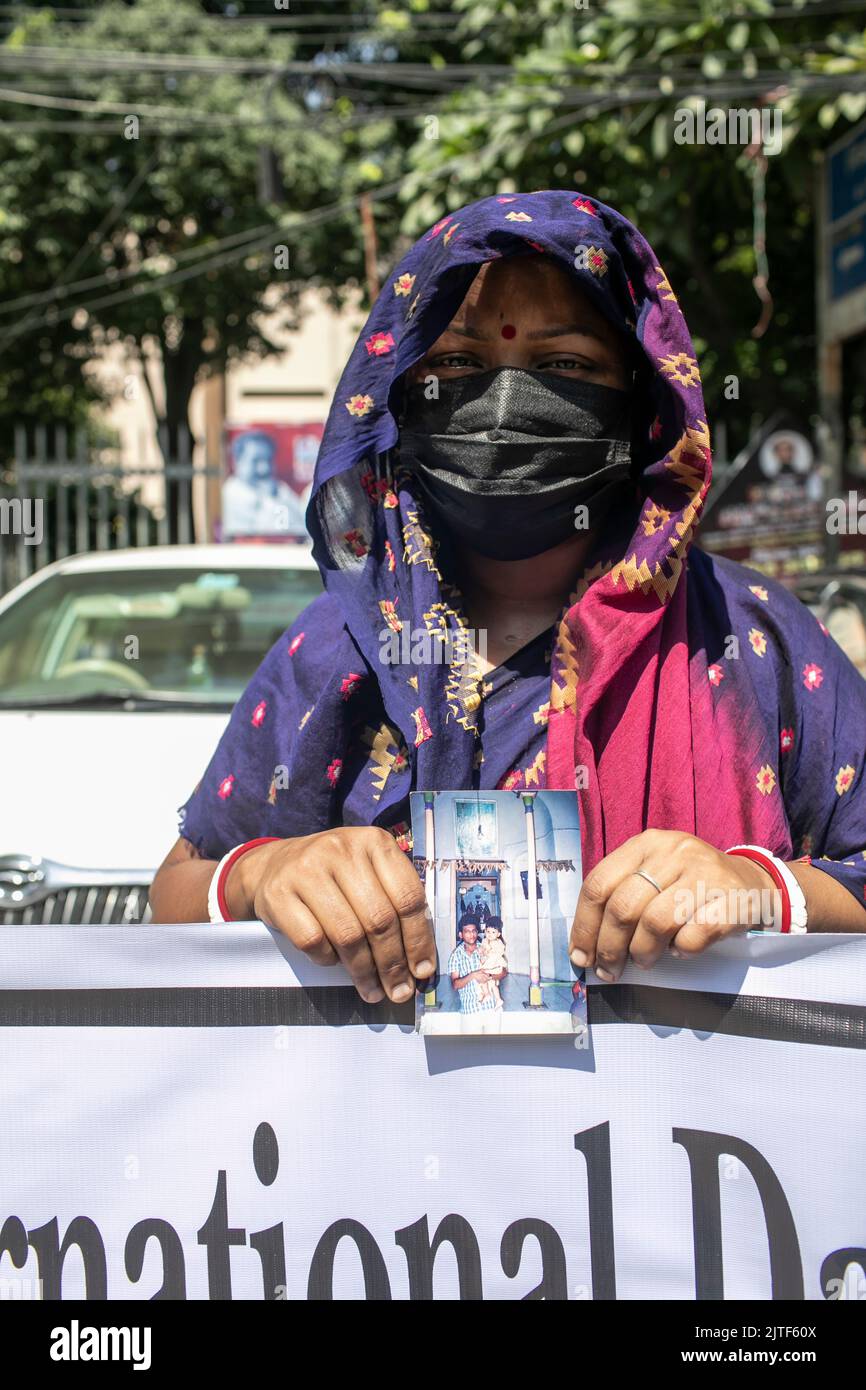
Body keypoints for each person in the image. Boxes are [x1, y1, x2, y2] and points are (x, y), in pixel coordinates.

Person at [150, 189, 866, 1005]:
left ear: (642, 400)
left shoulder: (750, 643)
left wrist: (760, 891)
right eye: (457, 364)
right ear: (397, 394)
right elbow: (174, 893)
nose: (503, 407)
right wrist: (265, 872)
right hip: (386, 1131)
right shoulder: (341, 646)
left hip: (678, 1133)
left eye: (565, 366)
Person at [447, 920, 496, 1016]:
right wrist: (473, 975)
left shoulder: (486, 949)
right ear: (461, 935)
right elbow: (455, 985)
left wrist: (490, 975)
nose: (471, 934)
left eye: (474, 930)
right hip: (470, 1010)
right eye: (467, 931)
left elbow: (503, 972)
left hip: (491, 1007)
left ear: (477, 932)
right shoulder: (456, 956)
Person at [476, 918, 508, 1008]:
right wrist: (481, 952)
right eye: (488, 931)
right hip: (488, 964)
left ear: (498, 934)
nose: (490, 934)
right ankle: (498, 999)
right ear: (485, 931)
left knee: (483, 976)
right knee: (492, 983)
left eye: (493, 932)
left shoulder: (498, 943)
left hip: (495, 966)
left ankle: (486, 994)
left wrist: (487, 953)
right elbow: (482, 951)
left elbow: (497, 954)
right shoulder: (485, 941)